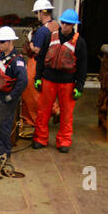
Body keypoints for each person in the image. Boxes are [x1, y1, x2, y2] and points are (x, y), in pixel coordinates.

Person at [33, 8, 88, 153]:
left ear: (73, 25)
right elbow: (40, 58)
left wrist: (79, 86)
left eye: (68, 24)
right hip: (48, 80)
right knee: (43, 111)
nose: (64, 26)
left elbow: (82, 66)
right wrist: (37, 78)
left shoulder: (79, 43)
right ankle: (40, 139)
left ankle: (64, 141)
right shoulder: (50, 37)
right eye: (63, 23)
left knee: (66, 114)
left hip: (68, 83)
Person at [0, 26, 27, 159]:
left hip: (7, 98)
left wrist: (12, 96)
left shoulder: (17, 61)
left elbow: (23, 81)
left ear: (11, 42)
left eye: (3, 42)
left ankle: (4, 154)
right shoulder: (1, 57)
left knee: (4, 125)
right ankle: (0, 150)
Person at [19, 0, 55, 137]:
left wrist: (30, 43)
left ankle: (33, 120)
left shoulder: (42, 31)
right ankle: (54, 110)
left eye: (36, 13)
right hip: (51, 65)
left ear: (42, 12)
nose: (36, 16)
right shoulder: (56, 26)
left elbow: (37, 50)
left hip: (38, 63)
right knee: (48, 92)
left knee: (30, 90)